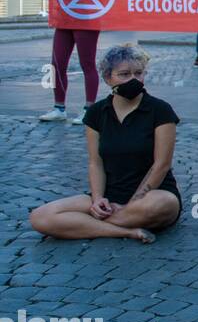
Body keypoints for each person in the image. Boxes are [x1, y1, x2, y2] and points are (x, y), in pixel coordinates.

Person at [29, 44, 182, 243]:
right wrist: (98, 199)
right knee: (40, 217)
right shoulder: (96, 113)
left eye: (138, 73)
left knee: (163, 204)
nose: (133, 79)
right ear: (108, 78)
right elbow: (96, 162)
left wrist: (134, 202)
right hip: (110, 195)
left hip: (152, 194)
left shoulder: (160, 110)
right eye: (124, 74)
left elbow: (161, 164)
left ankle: (88, 224)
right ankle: (126, 231)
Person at [36, 0, 111, 123]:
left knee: (87, 64)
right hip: (64, 20)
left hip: (87, 19)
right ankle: (59, 108)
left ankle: (89, 109)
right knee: (57, 64)